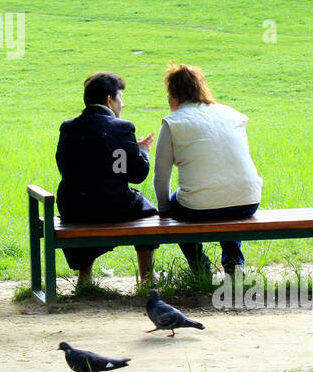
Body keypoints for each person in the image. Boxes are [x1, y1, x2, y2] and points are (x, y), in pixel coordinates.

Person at [153, 64, 262, 277]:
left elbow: (160, 176)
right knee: (226, 196)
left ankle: (200, 268)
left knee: (179, 204)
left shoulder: (172, 123)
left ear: (173, 94)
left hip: (199, 208)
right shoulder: (232, 114)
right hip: (248, 202)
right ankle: (234, 264)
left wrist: (164, 210)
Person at [55, 72, 159, 287]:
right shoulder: (122, 128)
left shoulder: (68, 128)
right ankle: (147, 277)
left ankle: (84, 277)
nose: (123, 104)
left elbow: (65, 167)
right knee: (148, 210)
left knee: (89, 199)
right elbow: (137, 174)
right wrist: (143, 152)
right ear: (109, 100)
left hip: (74, 208)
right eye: (120, 98)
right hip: (113, 207)